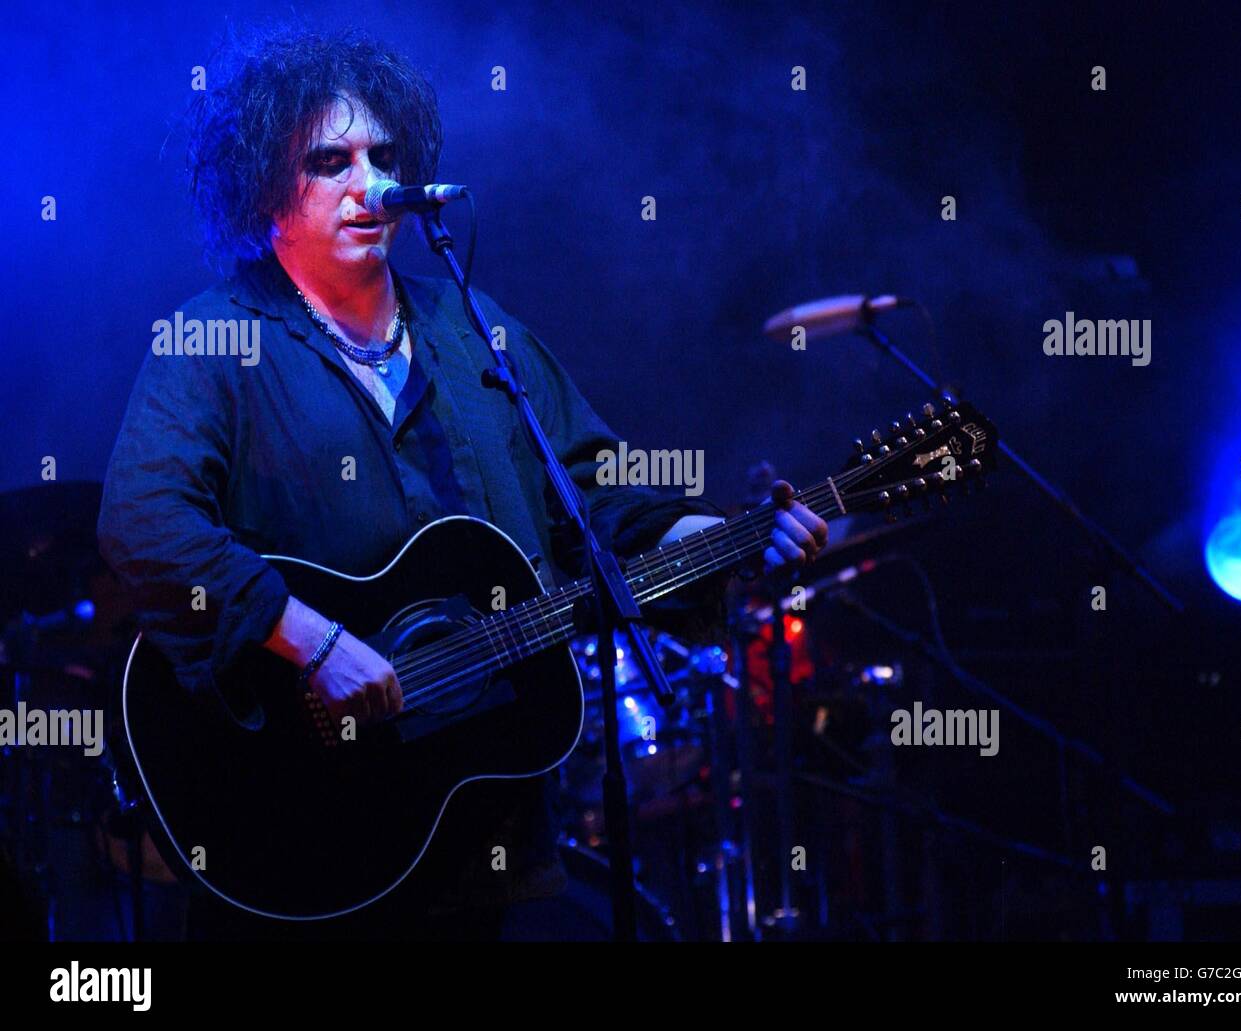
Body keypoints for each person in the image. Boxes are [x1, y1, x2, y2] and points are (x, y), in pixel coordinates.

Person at [97, 27, 827, 940]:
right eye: (331, 161)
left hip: (475, 833)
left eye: (384, 155)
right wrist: (313, 641)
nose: (370, 184)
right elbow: (142, 524)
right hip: (287, 823)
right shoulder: (213, 340)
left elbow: (590, 487)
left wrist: (683, 538)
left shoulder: (478, 332)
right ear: (265, 183)